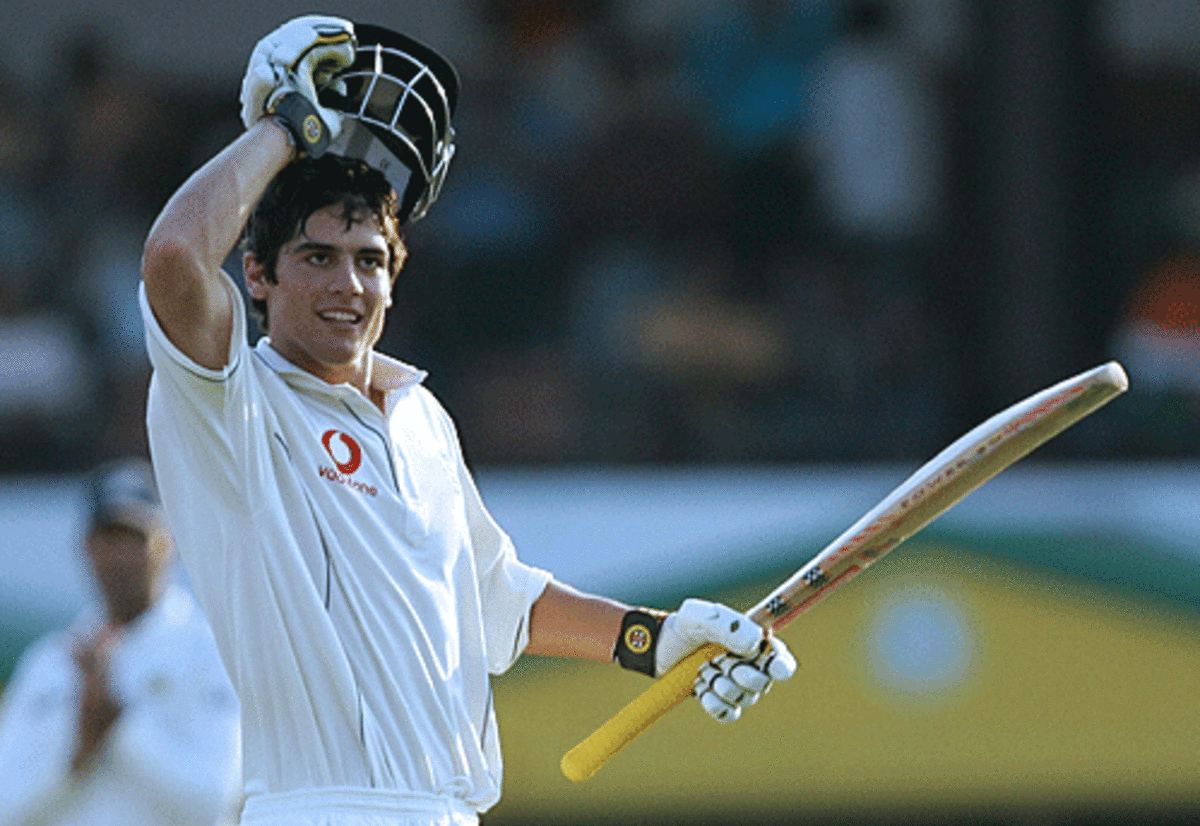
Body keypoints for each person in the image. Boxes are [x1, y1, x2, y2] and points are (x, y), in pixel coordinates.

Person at [137, 15, 796, 826]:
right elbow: (172, 258)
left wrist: (657, 642)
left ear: (395, 278)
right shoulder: (231, 403)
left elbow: (498, 603)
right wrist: (282, 128)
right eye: (318, 257)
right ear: (258, 276)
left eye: (371, 259)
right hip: (324, 809)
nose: (349, 283)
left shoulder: (420, 416)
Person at [0, 457, 242, 826]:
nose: (120, 558)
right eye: (108, 539)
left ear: (168, 543)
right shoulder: (52, 660)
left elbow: (215, 798)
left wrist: (118, 723)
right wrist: (77, 749)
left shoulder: (209, 652)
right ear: (86, 547)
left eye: (135, 539)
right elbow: (6, 802)